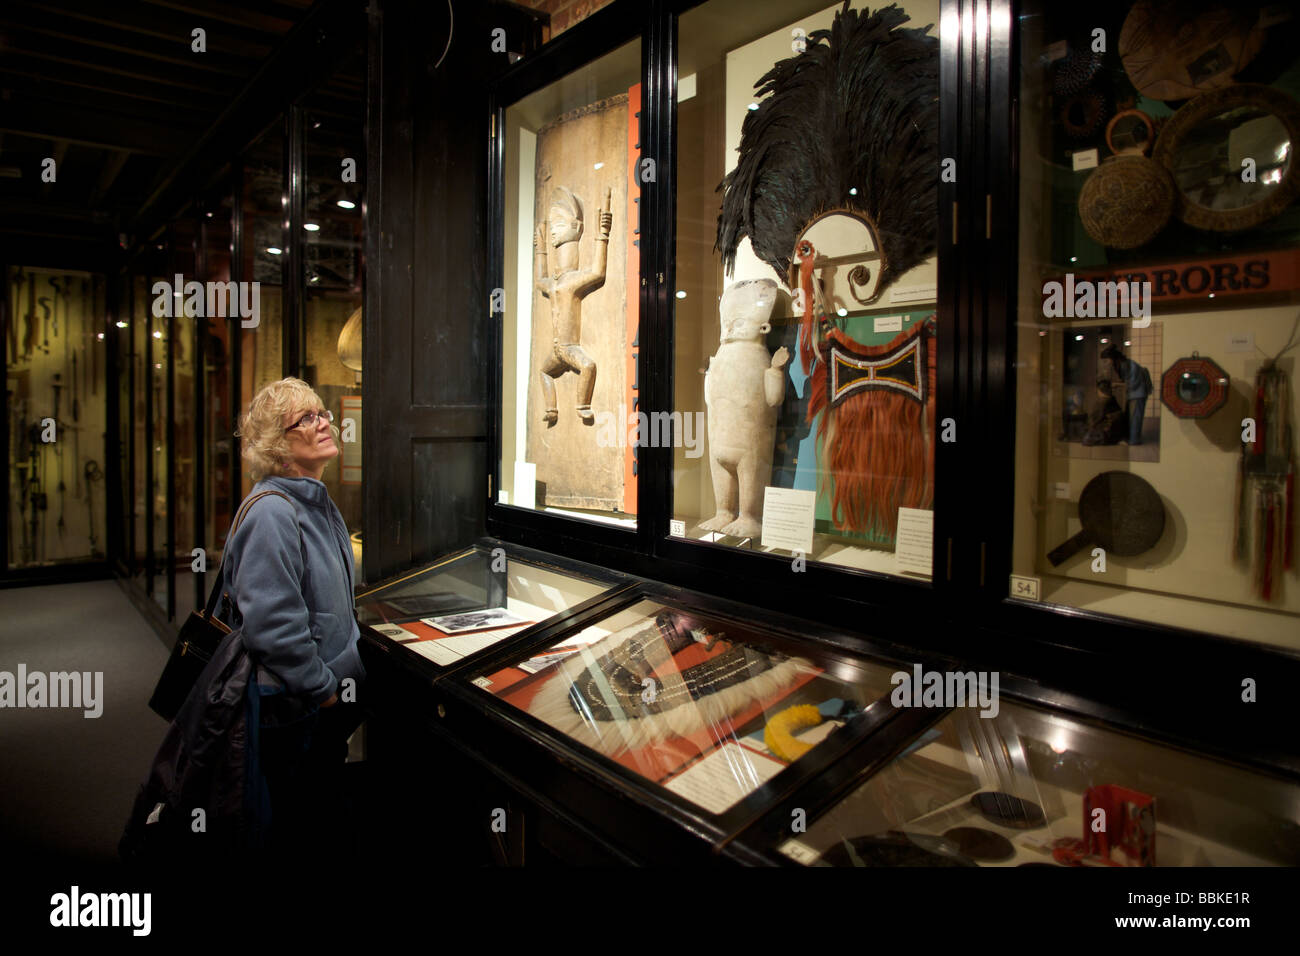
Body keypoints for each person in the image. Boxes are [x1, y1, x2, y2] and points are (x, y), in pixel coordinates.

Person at [224, 376, 365, 858]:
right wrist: (322, 691)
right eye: (306, 418)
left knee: (317, 821)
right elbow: (272, 627)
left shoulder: (316, 502)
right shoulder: (273, 514)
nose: (325, 422)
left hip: (317, 706)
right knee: (300, 832)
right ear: (278, 445)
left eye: (322, 413)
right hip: (294, 709)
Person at [1102, 343, 1152, 445]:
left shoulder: (1126, 365)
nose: (1107, 362)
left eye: (1107, 360)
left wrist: (1117, 385)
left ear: (1113, 358)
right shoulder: (1124, 364)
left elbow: (1132, 383)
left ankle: (1134, 440)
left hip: (1138, 394)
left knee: (1135, 417)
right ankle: (1130, 438)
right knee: (1131, 416)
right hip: (1135, 393)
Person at [1081, 378, 1126, 446]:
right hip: (1115, 433)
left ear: (1100, 390)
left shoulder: (1102, 402)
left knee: (1085, 434)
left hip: (1106, 433)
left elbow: (1093, 421)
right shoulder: (1112, 399)